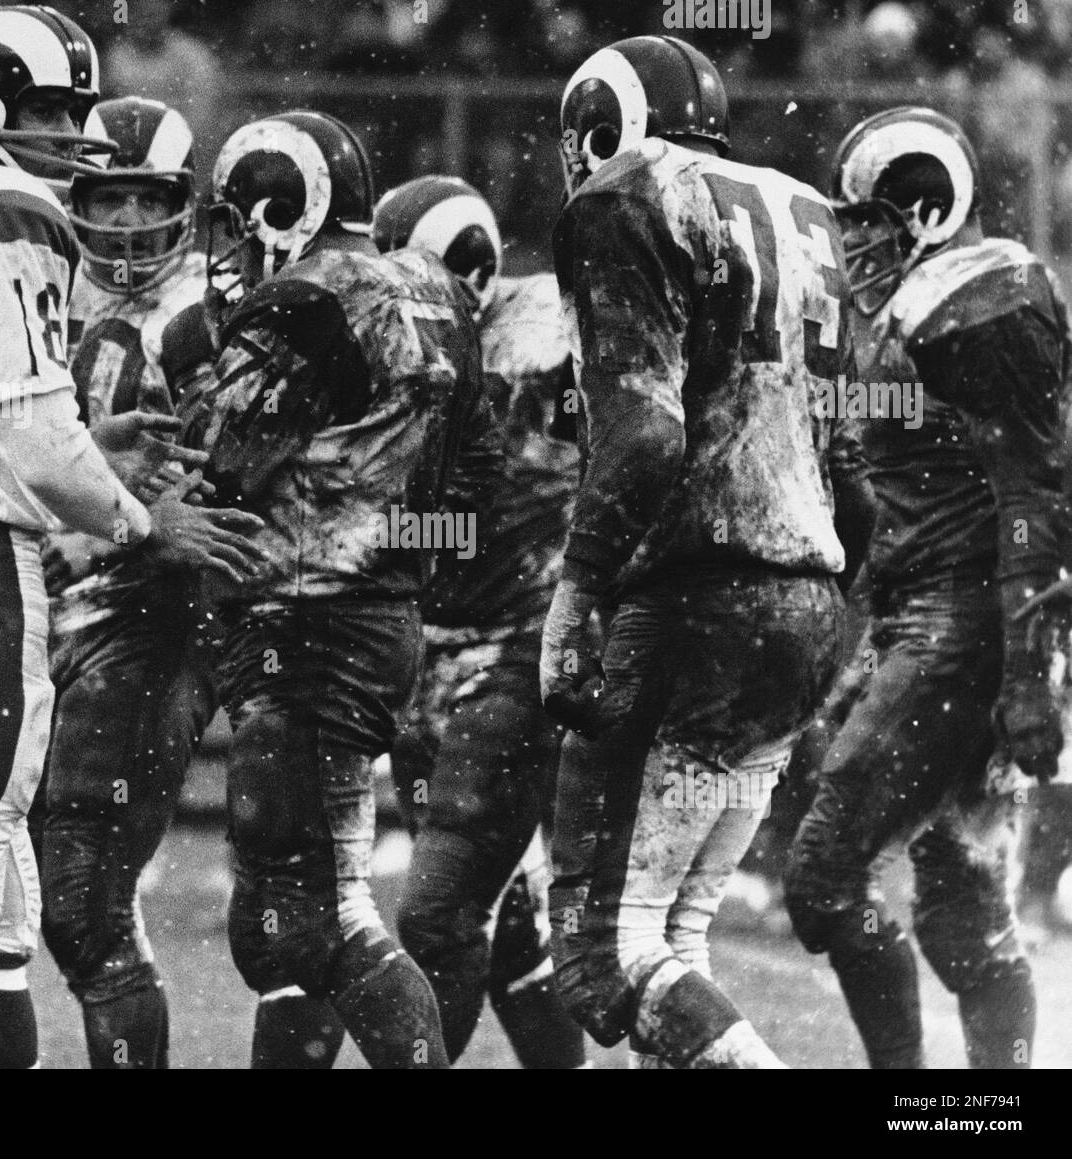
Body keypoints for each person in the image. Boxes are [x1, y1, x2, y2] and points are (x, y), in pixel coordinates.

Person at [0, 5, 262, 1070]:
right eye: (42, 110)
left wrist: (85, 439)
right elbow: (34, 443)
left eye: (75, 107)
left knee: (1, 905)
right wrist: (136, 514)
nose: (70, 134)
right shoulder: (12, 210)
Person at [542, 34, 875, 1069]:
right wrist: (814, 614)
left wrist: (579, 588)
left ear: (599, 125)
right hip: (808, 597)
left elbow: (645, 433)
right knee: (673, 939)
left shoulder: (625, 195)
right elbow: (853, 478)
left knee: (602, 952)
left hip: (694, 598)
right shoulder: (805, 210)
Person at [175, 110, 501, 1069]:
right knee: (325, 902)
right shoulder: (440, 290)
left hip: (307, 626)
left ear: (285, 201)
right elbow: (474, 473)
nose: (231, 245)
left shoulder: (305, 299)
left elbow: (221, 465)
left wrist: (189, 380)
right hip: (383, 617)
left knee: (301, 918)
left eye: (240, 219)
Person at [786, 107, 1069, 1070]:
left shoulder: (983, 297)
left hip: (964, 620)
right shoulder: (913, 309)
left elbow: (1035, 491)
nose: (854, 240)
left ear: (927, 208)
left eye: (868, 218)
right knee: (959, 911)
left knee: (824, 875)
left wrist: (1032, 669)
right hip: (925, 610)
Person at [38, 95, 262, 1069]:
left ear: (185, 204)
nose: (125, 223)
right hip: (58, 598)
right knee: (49, 902)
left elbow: (218, 503)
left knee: (82, 896)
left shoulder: (207, 319)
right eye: (106, 197)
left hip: (148, 612)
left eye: (145, 200)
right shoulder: (44, 287)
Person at [373, 174, 585, 1067]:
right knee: (503, 929)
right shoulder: (418, 347)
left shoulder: (551, 337)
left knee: (438, 911)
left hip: (516, 654)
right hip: (430, 664)